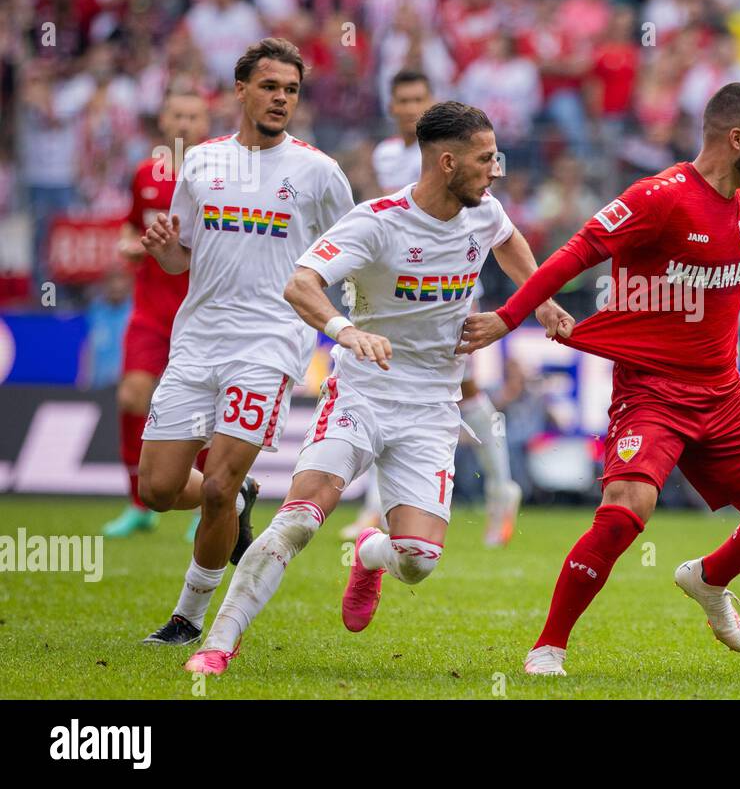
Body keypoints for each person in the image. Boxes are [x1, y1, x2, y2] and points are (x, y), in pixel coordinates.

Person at [183, 101, 570, 675]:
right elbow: (301, 284)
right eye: (486, 159)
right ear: (446, 162)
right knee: (300, 518)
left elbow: (508, 239)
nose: (496, 170)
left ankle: (369, 554)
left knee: (417, 561)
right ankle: (217, 645)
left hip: (433, 404)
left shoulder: (484, 213)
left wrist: (538, 302)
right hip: (362, 390)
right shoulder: (377, 222)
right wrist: (346, 331)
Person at [459, 83, 740, 677]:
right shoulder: (659, 196)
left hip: (723, 392)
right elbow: (579, 249)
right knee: (627, 508)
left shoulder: (732, 199)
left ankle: (708, 578)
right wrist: (509, 315)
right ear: (736, 139)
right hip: (652, 388)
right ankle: (548, 647)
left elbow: (734, 233)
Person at [136, 38, 355, 644]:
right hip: (197, 341)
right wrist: (166, 250)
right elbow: (183, 259)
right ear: (240, 90)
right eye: (269, 86)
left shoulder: (319, 171)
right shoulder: (202, 162)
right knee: (155, 489)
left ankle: (188, 618)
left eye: (291, 89)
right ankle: (239, 505)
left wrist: (351, 322)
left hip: (269, 346)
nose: (281, 98)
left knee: (214, 486)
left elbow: (358, 249)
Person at [342, 69, 524, 547]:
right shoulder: (386, 154)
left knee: (460, 390)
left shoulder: (457, 153)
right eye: (402, 99)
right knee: (405, 384)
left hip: (449, 284)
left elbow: (481, 210)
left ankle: (500, 487)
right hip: (399, 285)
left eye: (418, 98)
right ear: (391, 105)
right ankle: (380, 508)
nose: (409, 108)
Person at [102, 90, 210, 538]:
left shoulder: (218, 174)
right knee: (131, 397)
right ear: (163, 121)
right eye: (177, 115)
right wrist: (128, 245)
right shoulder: (145, 174)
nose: (184, 123)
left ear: (207, 122)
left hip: (201, 312)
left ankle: (207, 502)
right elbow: (131, 226)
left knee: (208, 411)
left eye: (193, 116)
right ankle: (138, 503)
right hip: (150, 311)